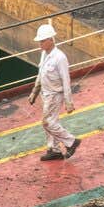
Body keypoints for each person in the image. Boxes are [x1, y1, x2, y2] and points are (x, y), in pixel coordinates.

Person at [29, 24, 78, 160]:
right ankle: (54, 149)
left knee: (47, 123)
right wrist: (34, 91)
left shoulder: (60, 58)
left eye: (42, 41)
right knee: (52, 122)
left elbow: (66, 81)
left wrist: (68, 102)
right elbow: (40, 74)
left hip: (55, 94)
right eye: (40, 41)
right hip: (45, 93)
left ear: (51, 40)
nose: (40, 44)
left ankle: (71, 141)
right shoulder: (44, 55)